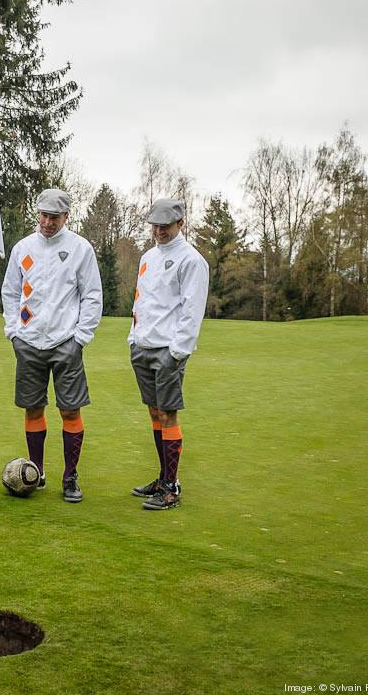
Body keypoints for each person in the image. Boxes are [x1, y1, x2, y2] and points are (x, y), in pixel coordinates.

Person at [1, 189, 102, 502]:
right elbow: (10, 292)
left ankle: (70, 476)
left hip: (66, 342)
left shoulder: (80, 248)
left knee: (70, 410)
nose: (47, 222)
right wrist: (14, 332)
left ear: (66, 217)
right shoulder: (23, 248)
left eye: (54, 217)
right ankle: (37, 472)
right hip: (28, 342)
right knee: (33, 408)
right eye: (43, 215)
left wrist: (81, 337)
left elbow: (92, 295)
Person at [128, 198, 209, 510]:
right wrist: (133, 337)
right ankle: (163, 478)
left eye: (165, 226)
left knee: (167, 414)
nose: (159, 231)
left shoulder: (192, 260)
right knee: (154, 412)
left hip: (168, 350)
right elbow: (142, 300)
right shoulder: (148, 257)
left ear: (180, 223)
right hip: (143, 345)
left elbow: (192, 310)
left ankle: (171, 487)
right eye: (155, 225)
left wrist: (177, 351)